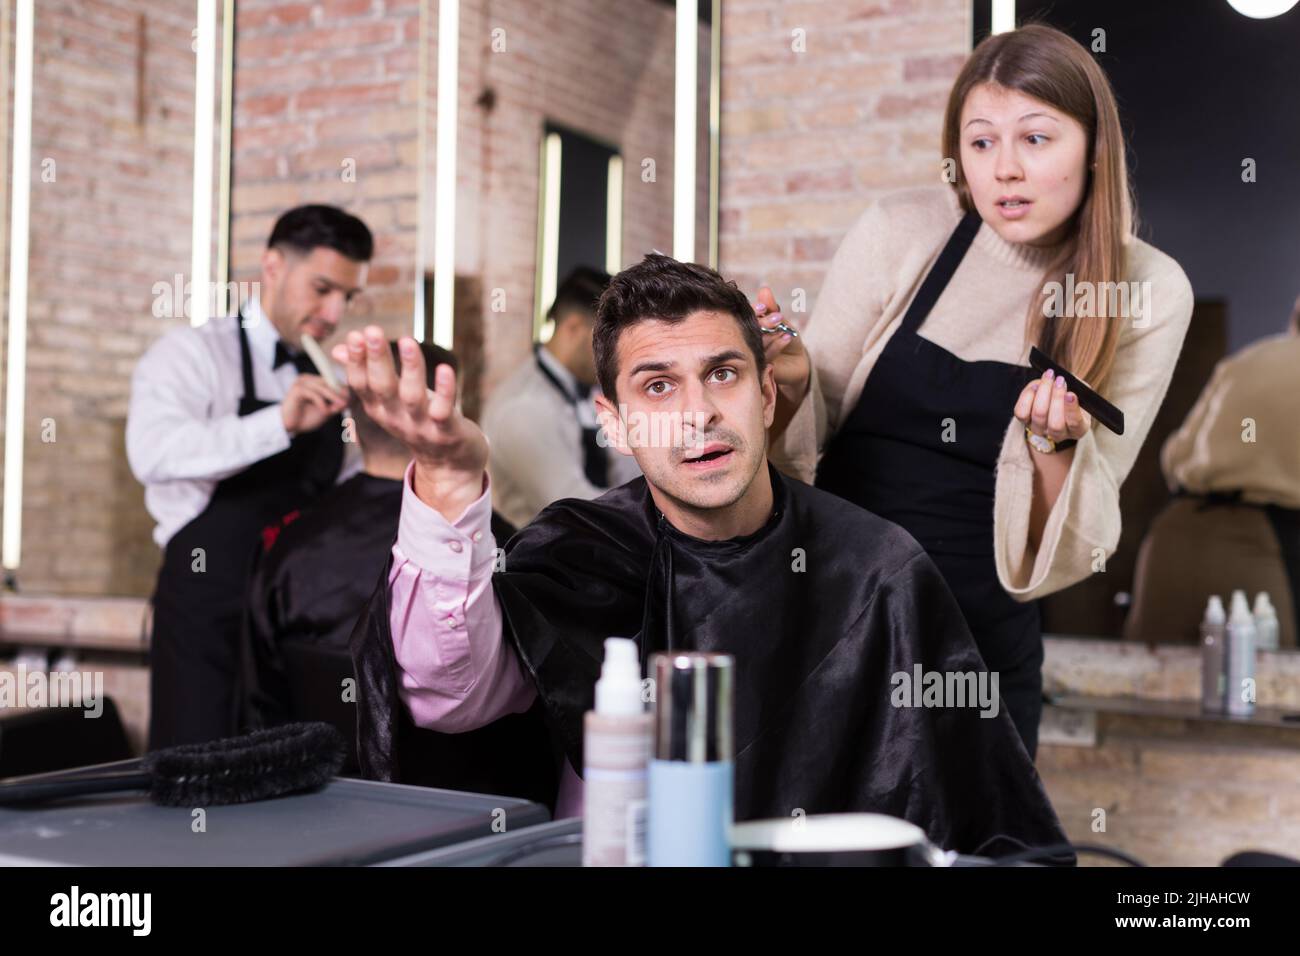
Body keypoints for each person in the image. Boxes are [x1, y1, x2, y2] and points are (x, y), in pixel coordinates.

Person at [340, 254, 1071, 860]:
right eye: (658, 386)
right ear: (616, 425)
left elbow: (987, 821)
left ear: (765, 393)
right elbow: (449, 695)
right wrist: (447, 481)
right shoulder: (579, 553)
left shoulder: (876, 567)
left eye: (722, 374)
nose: (699, 412)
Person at [766, 25, 1195, 758]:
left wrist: (1052, 445)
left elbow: (1079, 541)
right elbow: (805, 438)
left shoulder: (1148, 289)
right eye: (981, 142)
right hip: (833, 617)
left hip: (980, 649)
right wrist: (790, 372)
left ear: (1094, 148)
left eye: (1035, 139)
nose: (1005, 171)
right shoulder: (900, 230)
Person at [238, 341, 555, 803]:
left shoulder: (287, 549)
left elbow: (258, 712)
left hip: (315, 818)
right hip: (470, 822)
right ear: (451, 411)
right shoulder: (501, 548)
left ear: (355, 422)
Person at [127, 204, 369, 750]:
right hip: (207, 609)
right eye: (323, 288)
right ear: (273, 267)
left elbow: (343, 487)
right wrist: (277, 422)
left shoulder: (326, 374)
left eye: (347, 297)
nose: (334, 313)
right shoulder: (192, 354)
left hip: (291, 617)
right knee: (200, 766)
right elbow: (153, 452)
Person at [1123, 295, 1300, 647]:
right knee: (1264, 688)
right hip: (1259, 550)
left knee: (1148, 683)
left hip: (1175, 539)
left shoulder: (1245, 362)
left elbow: (1174, 455)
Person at [481, 266, 641, 528]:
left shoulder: (592, 389)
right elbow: (576, 508)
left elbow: (626, 468)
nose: (617, 357)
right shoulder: (524, 408)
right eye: (609, 343)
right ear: (574, 328)